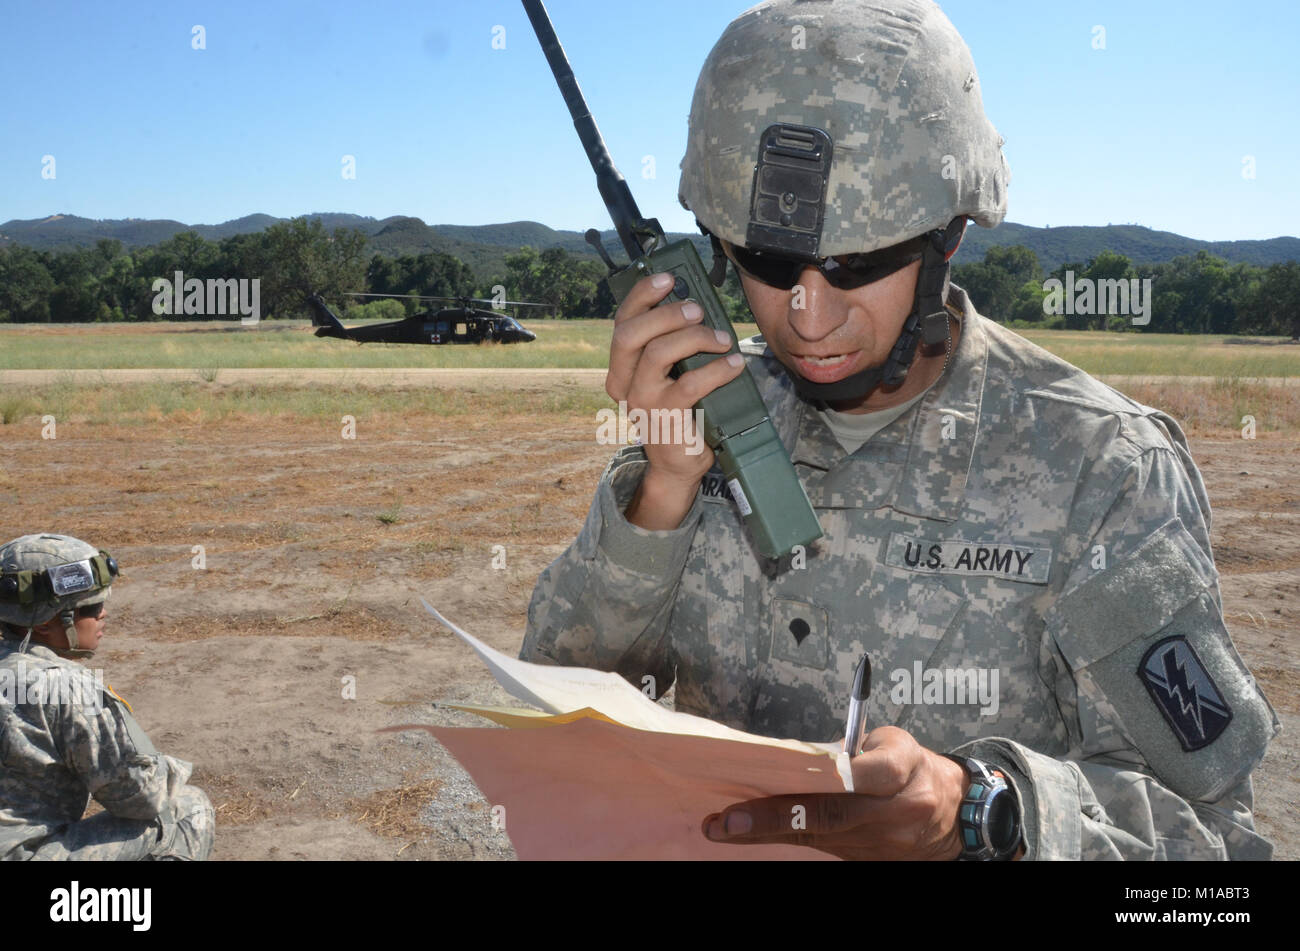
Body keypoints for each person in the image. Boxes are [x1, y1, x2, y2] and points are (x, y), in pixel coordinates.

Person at [519, 0, 1279, 861]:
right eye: (768, 265)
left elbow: (1215, 863)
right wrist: (660, 494)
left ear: (945, 237)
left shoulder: (1104, 470)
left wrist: (986, 812)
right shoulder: (703, 427)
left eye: (859, 264)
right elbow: (553, 703)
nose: (807, 317)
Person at [0, 533, 214, 861]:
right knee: (187, 809)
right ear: (44, 621)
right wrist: (168, 769)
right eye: (92, 606)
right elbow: (141, 796)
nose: (103, 615)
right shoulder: (64, 687)